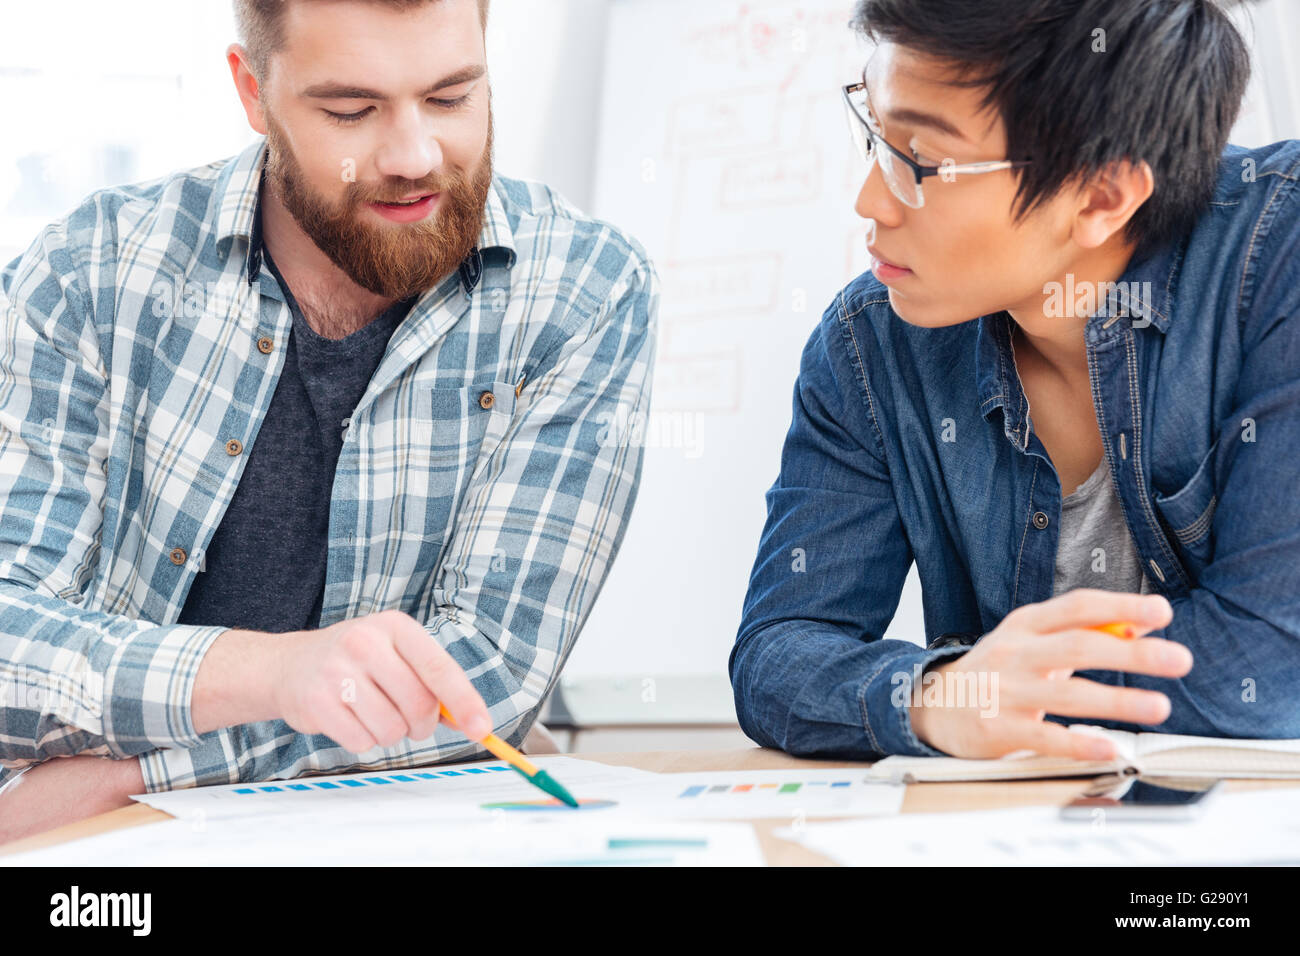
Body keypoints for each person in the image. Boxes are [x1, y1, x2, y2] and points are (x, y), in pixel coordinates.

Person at [0, 0, 657, 840]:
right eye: (351, 111)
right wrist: (271, 673)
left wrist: (135, 780)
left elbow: (488, 675)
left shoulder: (585, 290)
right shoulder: (90, 273)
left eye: (453, 97)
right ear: (254, 92)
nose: (414, 156)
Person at [732, 0, 1299, 762]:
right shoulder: (872, 340)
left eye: (919, 161)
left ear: (1102, 196)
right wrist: (941, 698)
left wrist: (1003, 686)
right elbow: (778, 653)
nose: (870, 202)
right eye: (875, 132)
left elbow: (1269, 662)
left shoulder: (1278, 262)